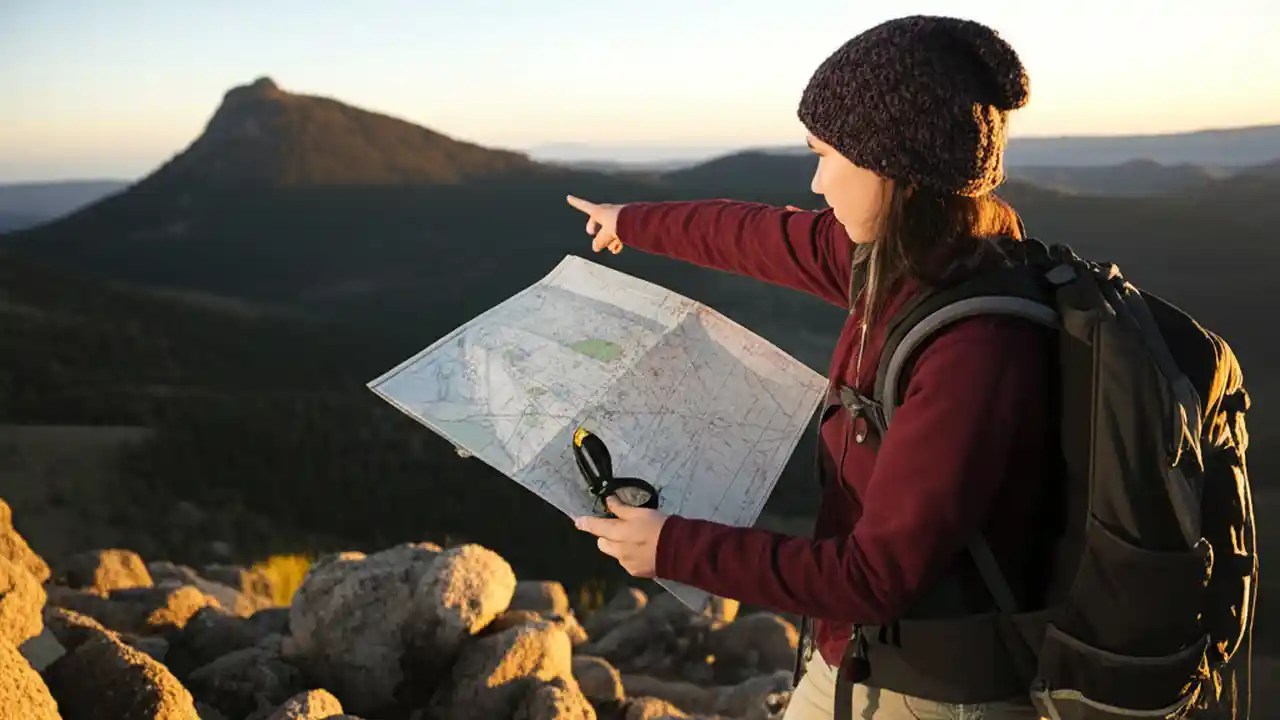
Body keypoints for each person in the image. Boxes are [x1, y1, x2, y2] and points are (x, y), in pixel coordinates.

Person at [568, 15, 1058, 720]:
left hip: (928, 695)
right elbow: (753, 235)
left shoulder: (974, 347)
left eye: (827, 155)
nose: (817, 181)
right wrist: (630, 221)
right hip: (869, 661)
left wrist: (674, 548)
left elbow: (877, 575)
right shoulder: (903, 262)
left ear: (897, 169)